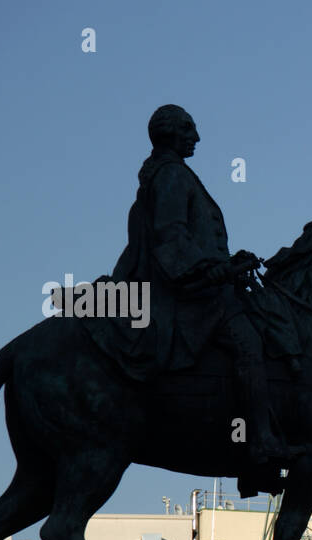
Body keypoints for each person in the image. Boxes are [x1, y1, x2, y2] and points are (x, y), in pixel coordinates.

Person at [112, 104, 288, 466]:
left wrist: (225, 264)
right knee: (248, 340)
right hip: (186, 292)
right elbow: (172, 239)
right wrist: (219, 271)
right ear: (172, 133)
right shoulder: (172, 175)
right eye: (190, 129)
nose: (197, 137)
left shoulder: (168, 174)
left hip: (193, 283)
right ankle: (261, 441)